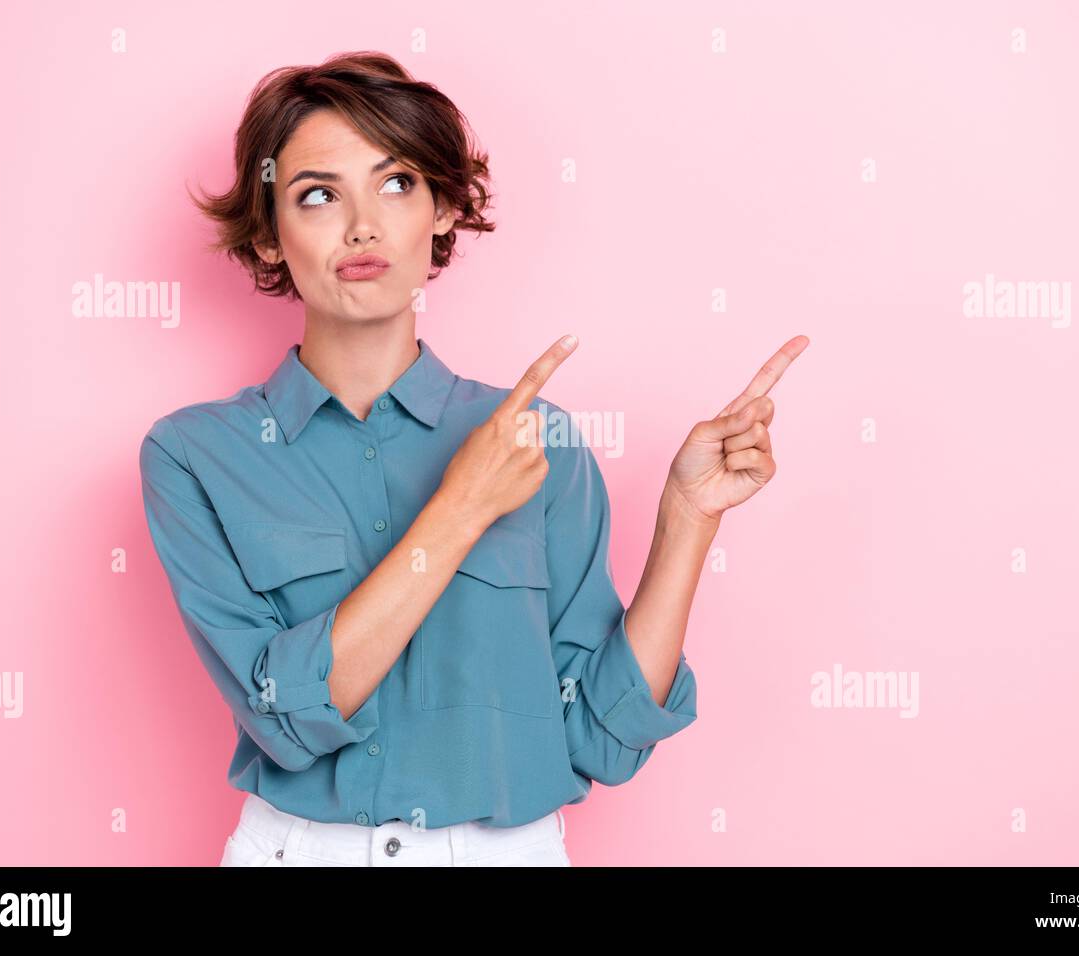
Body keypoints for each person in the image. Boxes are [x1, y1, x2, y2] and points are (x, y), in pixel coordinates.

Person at [139, 51, 808, 867]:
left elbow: (599, 738)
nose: (362, 226)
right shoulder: (195, 455)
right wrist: (460, 508)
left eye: (397, 184)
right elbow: (285, 719)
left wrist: (687, 518)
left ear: (446, 210)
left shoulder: (542, 441)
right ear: (270, 237)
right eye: (318, 195)